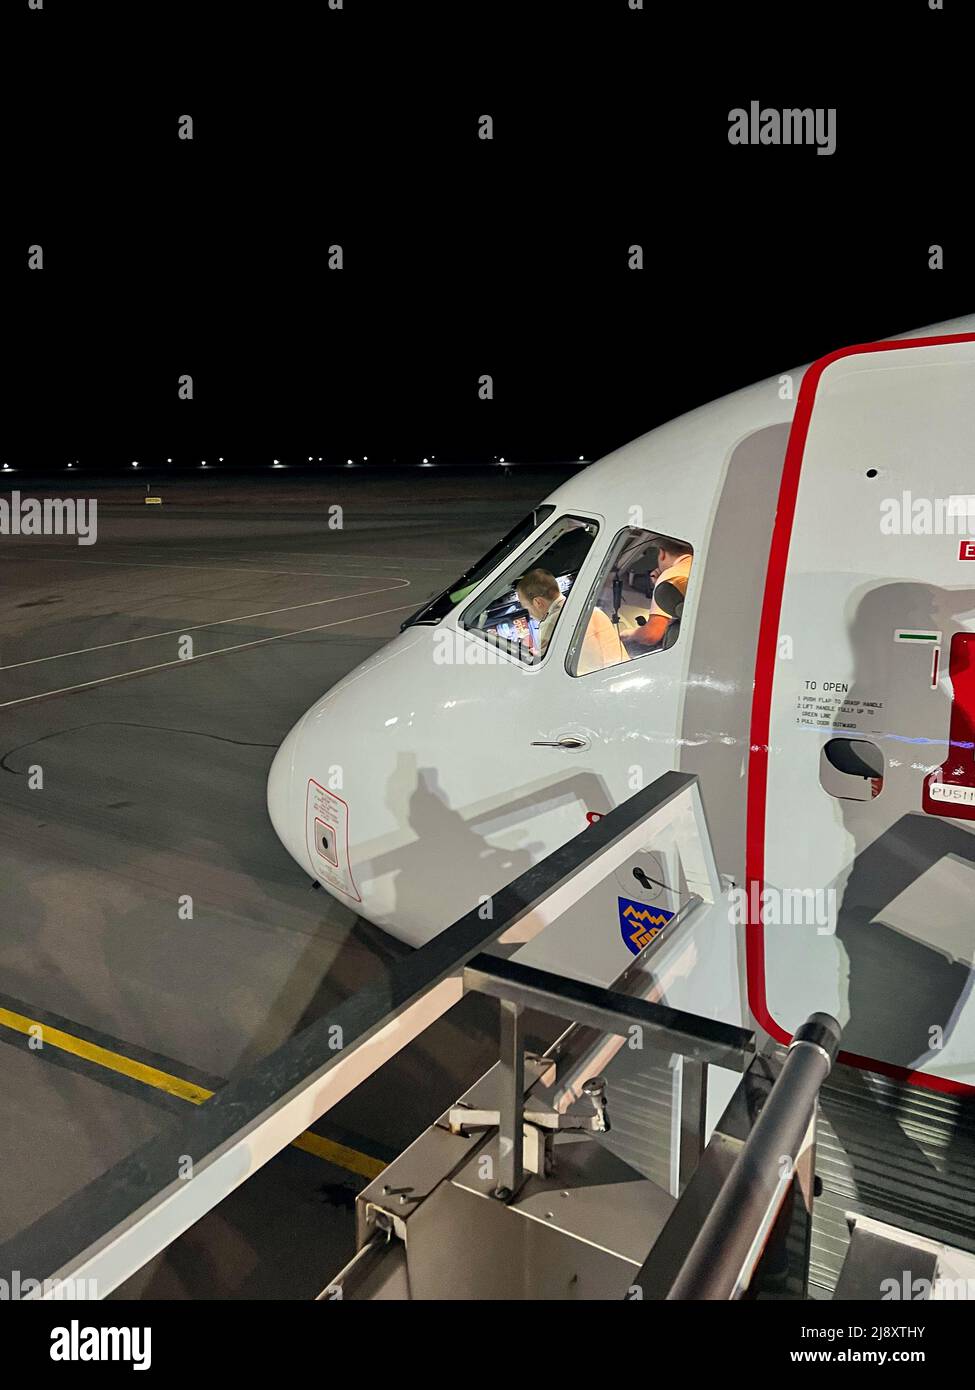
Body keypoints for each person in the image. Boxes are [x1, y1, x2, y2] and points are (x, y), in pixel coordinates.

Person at [625, 537, 692, 650]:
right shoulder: (700, 569)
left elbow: (651, 635)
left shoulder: (671, 575)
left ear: (662, 554)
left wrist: (628, 635)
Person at [516, 569, 565, 657]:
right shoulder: (583, 606)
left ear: (537, 602)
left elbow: (547, 668)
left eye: (527, 608)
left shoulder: (550, 625)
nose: (530, 615)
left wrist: (533, 656)